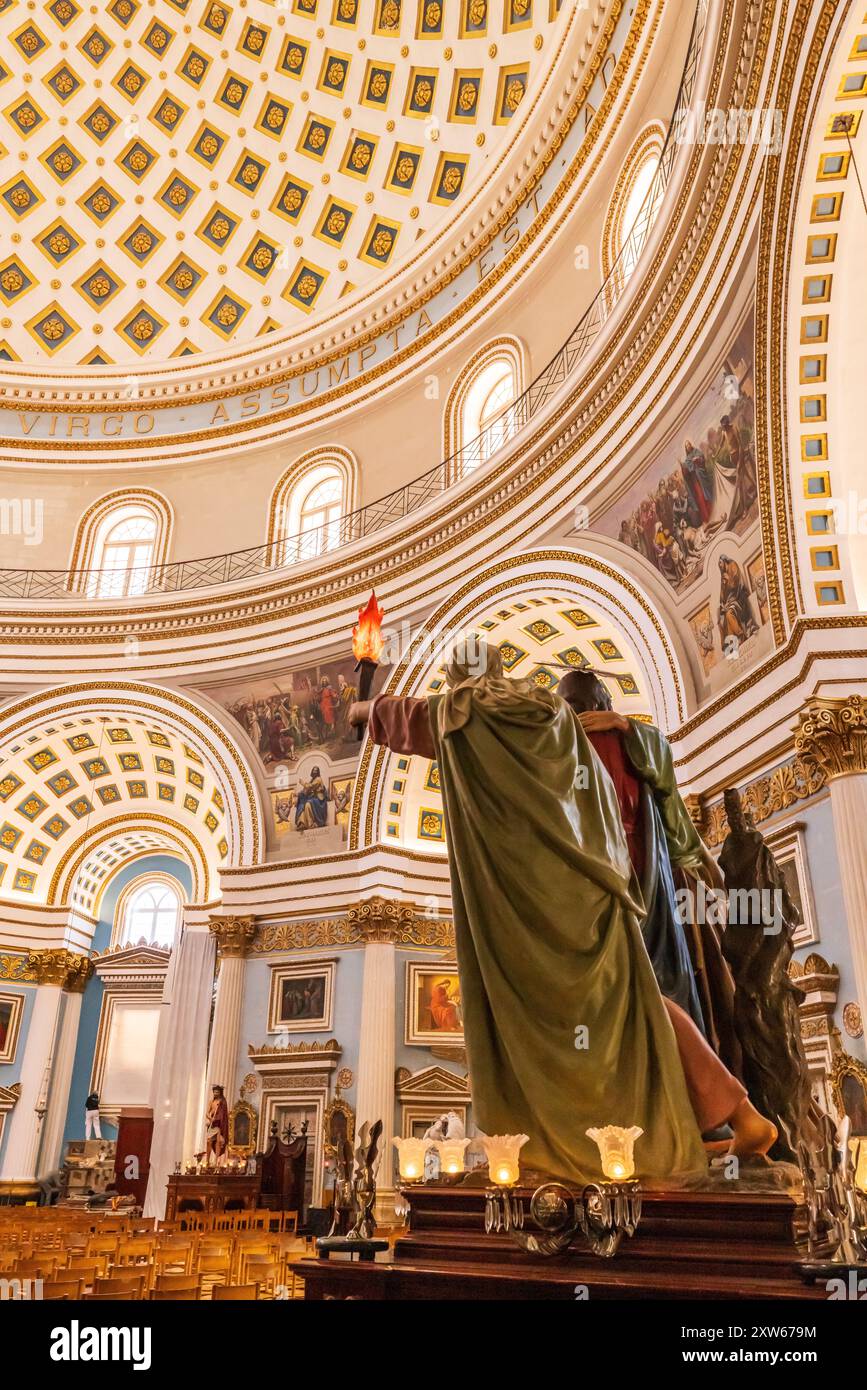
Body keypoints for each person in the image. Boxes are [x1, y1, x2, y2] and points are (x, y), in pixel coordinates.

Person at [351, 640, 709, 1185]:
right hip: (592, 893)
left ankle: (550, 1146)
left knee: (562, 1026)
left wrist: (362, 708)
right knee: (632, 1014)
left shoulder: (460, 713)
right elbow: (609, 806)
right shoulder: (553, 719)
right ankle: (650, 1133)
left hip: (521, 911)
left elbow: (405, 717)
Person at [557, 669, 775, 1155]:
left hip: (635, 899)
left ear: (603, 703)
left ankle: (683, 1126)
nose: (578, 716)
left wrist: (623, 726)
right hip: (635, 895)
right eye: (570, 708)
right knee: (652, 1003)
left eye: (582, 704)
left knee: (649, 1003)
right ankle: (684, 1128)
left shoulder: (614, 745)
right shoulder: (604, 747)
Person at [205, 1084, 229, 1167]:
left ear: (220, 1092)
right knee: (209, 1141)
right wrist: (210, 1118)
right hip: (212, 1124)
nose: (215, 1093)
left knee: (218, 1142)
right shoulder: (211, 1102)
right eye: (214, 1092)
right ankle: (207, 1161)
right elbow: (207, 1113)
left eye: (217, 1092)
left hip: (219, 1123)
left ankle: (215, 1161)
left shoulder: (222, 1102)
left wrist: (217, 1118)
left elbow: (223, 1114)